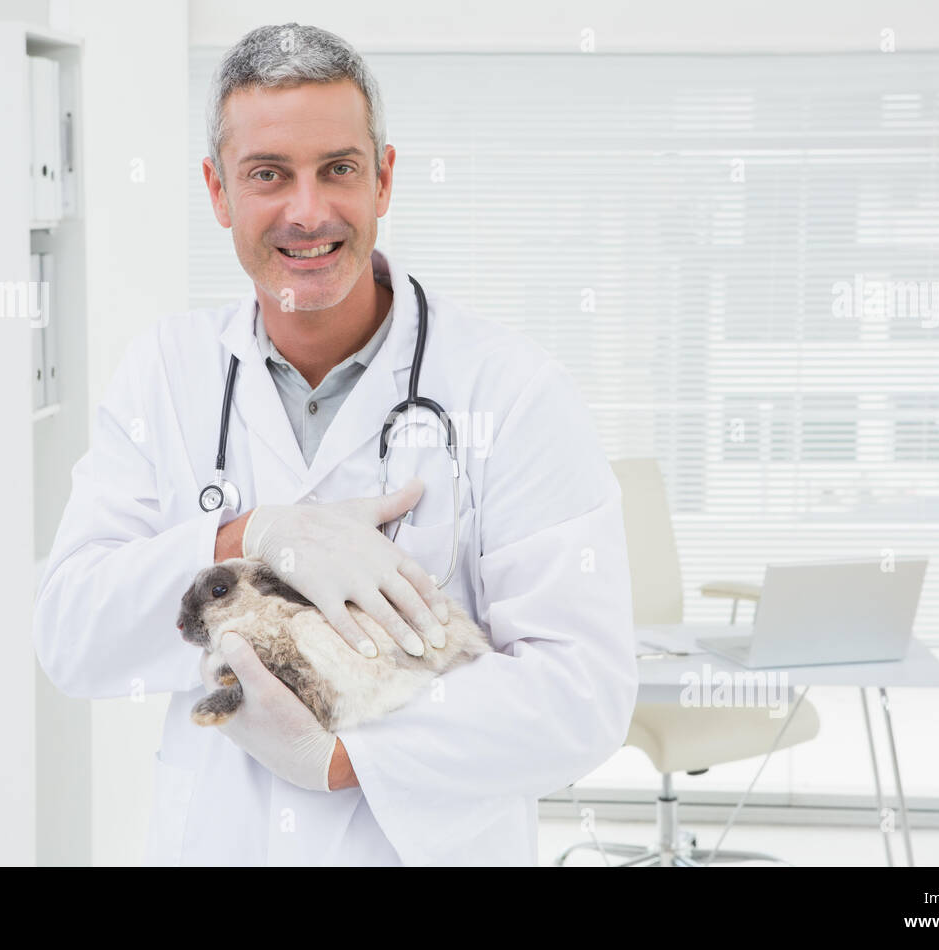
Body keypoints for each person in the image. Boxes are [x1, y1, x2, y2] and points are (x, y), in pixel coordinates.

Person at [32, 21, 637, 866]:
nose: (307, 212)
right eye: (268, 175)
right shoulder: (165, 374)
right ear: (218, 192)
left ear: (383, 180)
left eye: (339, 170)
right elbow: (73, 636)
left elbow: (584, 694)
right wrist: (248, 538)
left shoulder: (513, 391)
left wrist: (346, 759)